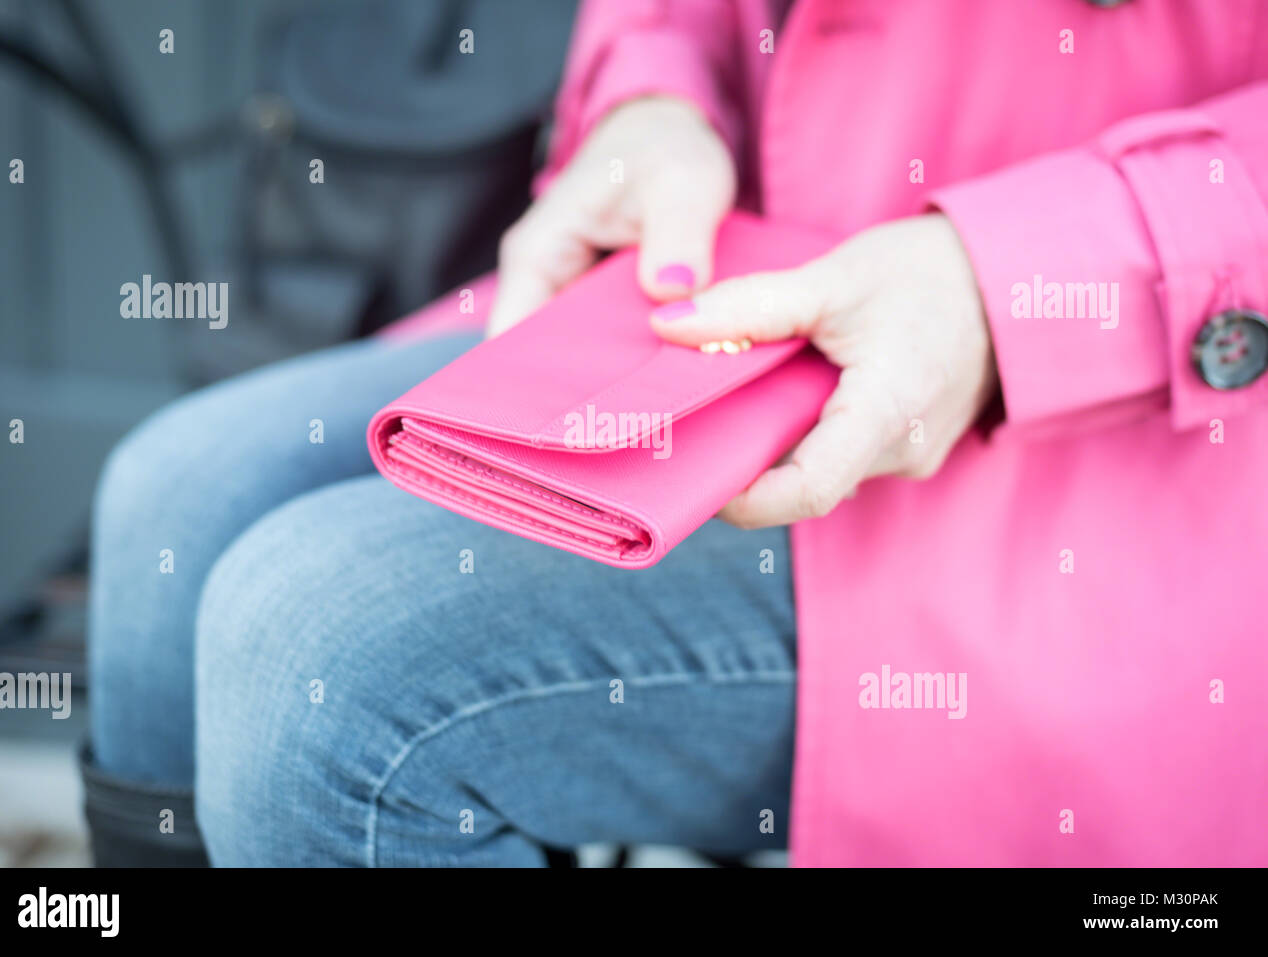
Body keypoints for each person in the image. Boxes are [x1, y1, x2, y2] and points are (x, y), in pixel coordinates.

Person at [85, 0, 1268, 866]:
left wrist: (1010, 287)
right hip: (732, 275)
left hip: (1124, 421)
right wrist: (651, 94)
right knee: (177, 495)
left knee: (322, 662)